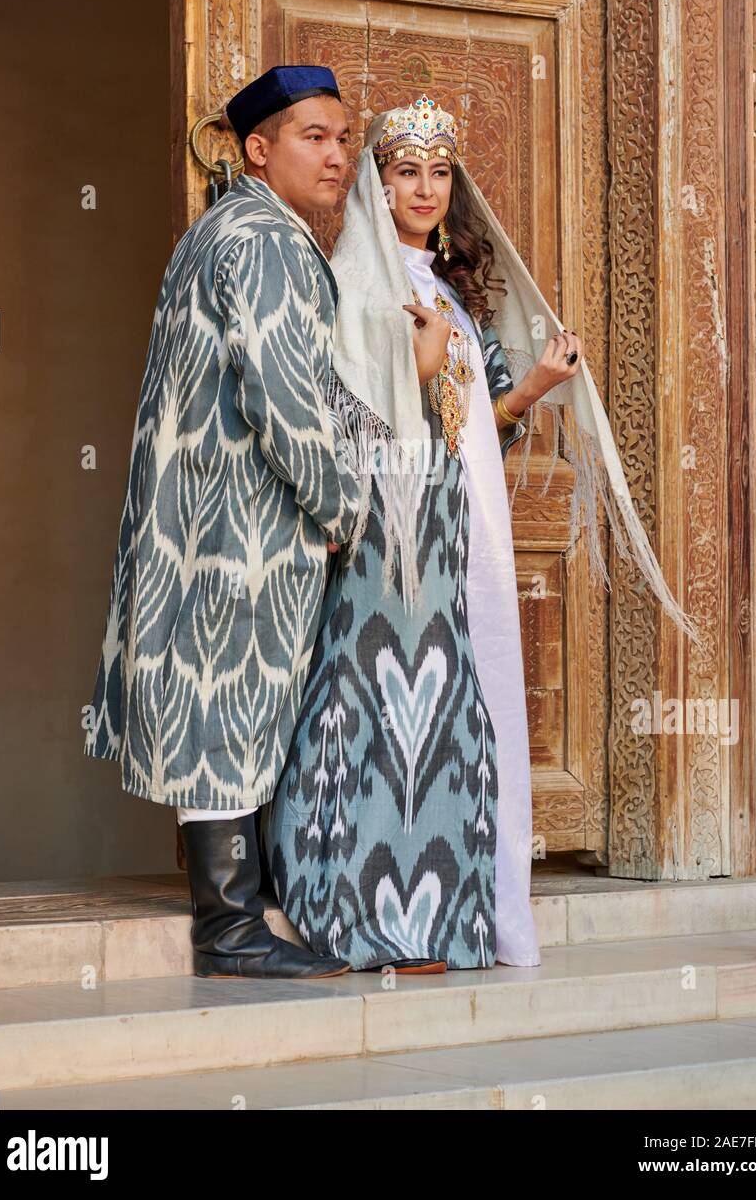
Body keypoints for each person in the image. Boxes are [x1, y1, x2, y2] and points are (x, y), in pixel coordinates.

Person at [263, 95, 700, 973]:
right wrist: (412, 380)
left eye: (438, 172)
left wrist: (535, 384)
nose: (424, 188)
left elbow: (479, 431)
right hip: (383, 540)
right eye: (403, 171)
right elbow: (340, 421)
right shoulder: (348, 283)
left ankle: (443, 916)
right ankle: (356, 912)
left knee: (454, 719)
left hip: (464, 533)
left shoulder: (460, 299)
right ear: (376, 186)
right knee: (372, 710)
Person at [85, 65, 365, 979]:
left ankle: (243, 917)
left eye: (342, 137)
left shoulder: (222, 231)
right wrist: (339, 503)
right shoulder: (268, 242)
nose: (337, 155)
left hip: (200, 520)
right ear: (258, 148)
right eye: (313, 137)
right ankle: (231, 930)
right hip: (242, 527)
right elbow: (284, 398)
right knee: (232, 706)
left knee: (219, 707)